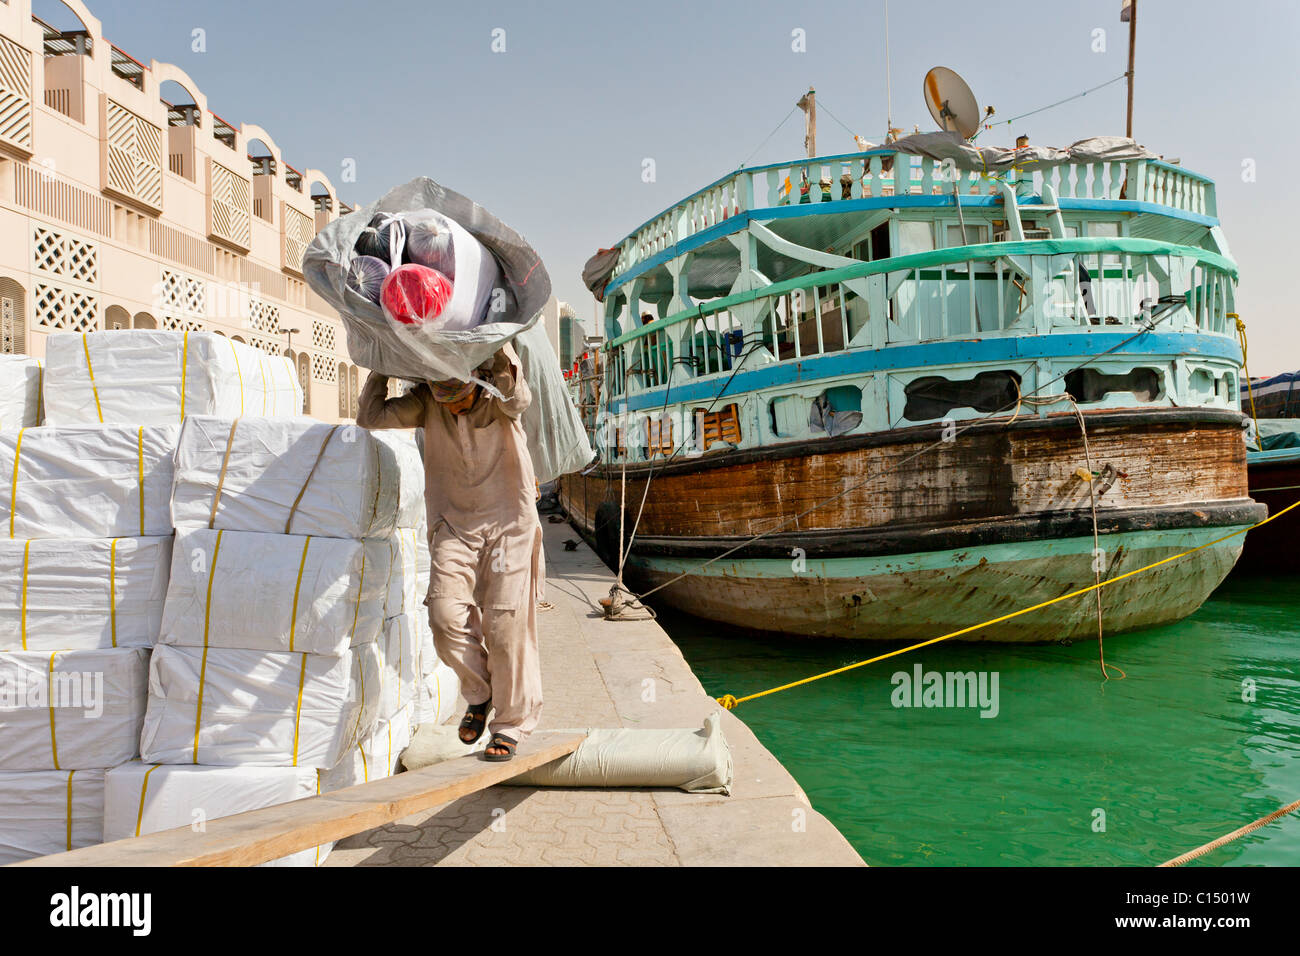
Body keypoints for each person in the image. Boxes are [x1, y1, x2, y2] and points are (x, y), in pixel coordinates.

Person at [356, 344, 542, 761]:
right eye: (445, 398)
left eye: (460, 396)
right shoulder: (427, 402)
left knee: (506, 626)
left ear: (478, 383)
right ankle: (480, 693)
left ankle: (510, 724)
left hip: (509, 523)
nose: (454, 406)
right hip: (454, 525)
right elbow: (370, 417)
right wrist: (380, 365)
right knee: (443, 616)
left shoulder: (503, 397)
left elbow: (518, 395)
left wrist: (497, 347)